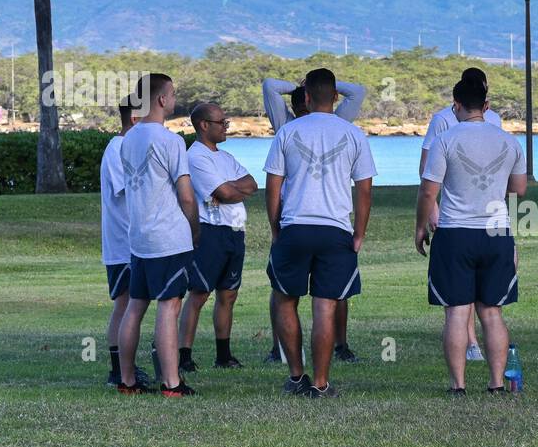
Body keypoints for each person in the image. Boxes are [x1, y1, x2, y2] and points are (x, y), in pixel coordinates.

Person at [264, 67, 376, 398]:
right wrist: (359, 232)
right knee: (324, 307)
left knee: (286, 300)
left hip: (294, 227)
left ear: (307, 97)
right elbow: (365, 189)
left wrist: (275, 227)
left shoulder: (287, 131)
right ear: (336, 97)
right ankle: (321, 383)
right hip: (336, 231)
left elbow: (273, 185)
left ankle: (297, 375)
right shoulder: (354, 134)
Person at [415, 75, 527, 394]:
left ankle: (458, 385)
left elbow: (428, 192)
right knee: (492, 312)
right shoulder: (508, 141)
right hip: (496, 232)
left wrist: (420, 227)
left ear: (456, 106)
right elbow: (518, 189)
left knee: (456, 311)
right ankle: (495, 384)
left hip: (455, 233)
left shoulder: (445, 140)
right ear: (487, 106)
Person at [116, 73, 200, 396]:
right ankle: (171, 383)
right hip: (168, 239)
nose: (175, 100)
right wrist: (195, 229)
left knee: (135, 307)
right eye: (173, 94)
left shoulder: (128, 141)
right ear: (162, 100)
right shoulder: (171, 141)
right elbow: (187, 196)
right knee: (169, 306)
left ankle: (127, 380)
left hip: (139, 240)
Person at [419, 67, 504, 364]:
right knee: (467, 300)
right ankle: (473, 346)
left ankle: (460, 380)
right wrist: (434, 213)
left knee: (470, 300)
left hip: (483, 221)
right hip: (459, 219)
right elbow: (427, 172)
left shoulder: (495, 122)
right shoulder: (443, 121)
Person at [177, 102, 257, 371]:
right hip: (211, 232)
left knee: (228, 294)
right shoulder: (196, 157)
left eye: (226, 121)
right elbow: (225, 194)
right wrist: (230, 190)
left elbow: (251, 184)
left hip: (235, 232)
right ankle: (184, 356)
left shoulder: (225, 158)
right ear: (204, 125)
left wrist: (229, 189)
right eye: (221, 122)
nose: (226, 126)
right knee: (199, 293)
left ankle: (224, 355)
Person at [101, 96, 151, 387]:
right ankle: (117, 370)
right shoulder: (118, 149)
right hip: (122, 245)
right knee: (124, 305)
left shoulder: (127, 148)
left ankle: (126, 367)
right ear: (135, 119)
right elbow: (130, 190)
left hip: (135, 242)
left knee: (134, 304)